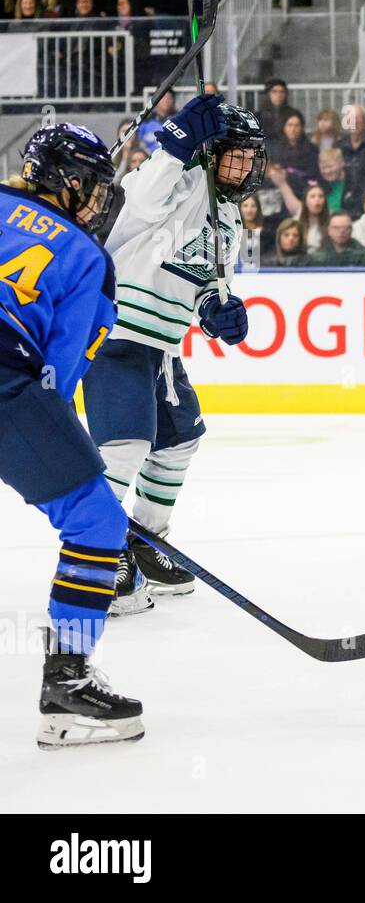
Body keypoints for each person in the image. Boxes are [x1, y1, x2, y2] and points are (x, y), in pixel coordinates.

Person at [0, 124, 147, 748]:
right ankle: (68, 685)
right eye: (89, 185)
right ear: (65, 180)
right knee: (97, 524)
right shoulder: (89, 257)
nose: (94, 200)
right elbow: (58, 378)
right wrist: (68, 463)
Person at [84, 96, 263, 602]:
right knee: (125, 449)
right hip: (118, 336)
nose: (248, 166)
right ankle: (95, 553)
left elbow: (204, 280)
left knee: (180, 440)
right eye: (238, 154)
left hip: (162, 348)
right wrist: (176, 145)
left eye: (253, 157)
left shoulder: (229, 217)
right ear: (214, 151)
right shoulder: (176, 178)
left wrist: (216, 312)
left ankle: (144, 539)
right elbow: (138, 200)